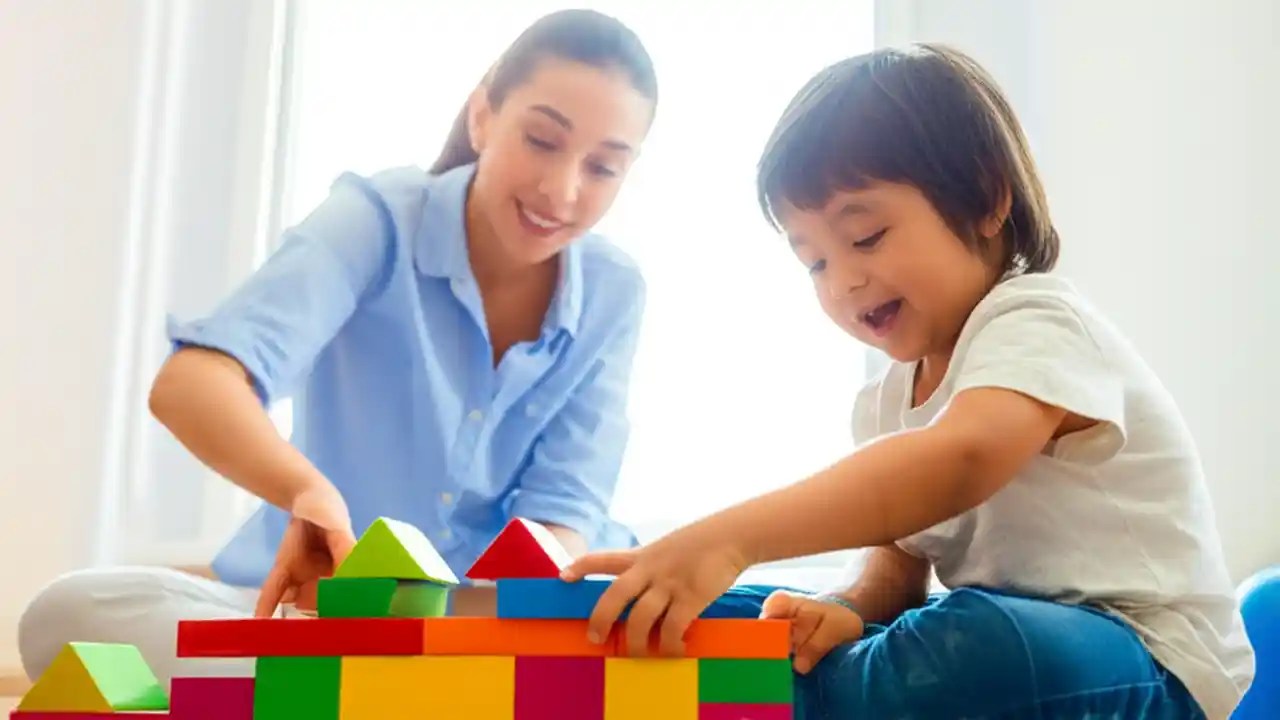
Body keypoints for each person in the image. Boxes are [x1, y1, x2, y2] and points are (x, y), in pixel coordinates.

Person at [563, 44, 1254, 719]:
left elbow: (963, 458)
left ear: (986, 199)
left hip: (1151, 664)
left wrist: (729, 537)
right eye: (815, 264)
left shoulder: (1038, 320)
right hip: (1003, 647)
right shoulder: (888, 402)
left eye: (864, 238)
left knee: (978, 639)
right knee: (750, 616)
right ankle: (651, 672)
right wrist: (839, 611)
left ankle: (772, 699)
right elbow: (894, 572)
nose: (845, 281)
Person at [19, 8, 658, 685]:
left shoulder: (614, 292)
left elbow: (564, 518)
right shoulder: (377, 219)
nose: (562, 190)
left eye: (603, 168)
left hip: (492, 639)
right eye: (541, 140)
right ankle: (386, 695)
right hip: (321, 623)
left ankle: (380, 694)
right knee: (67, 612)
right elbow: (190, 384)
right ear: (482, 118)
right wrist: (306, 492)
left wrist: (484, 631)